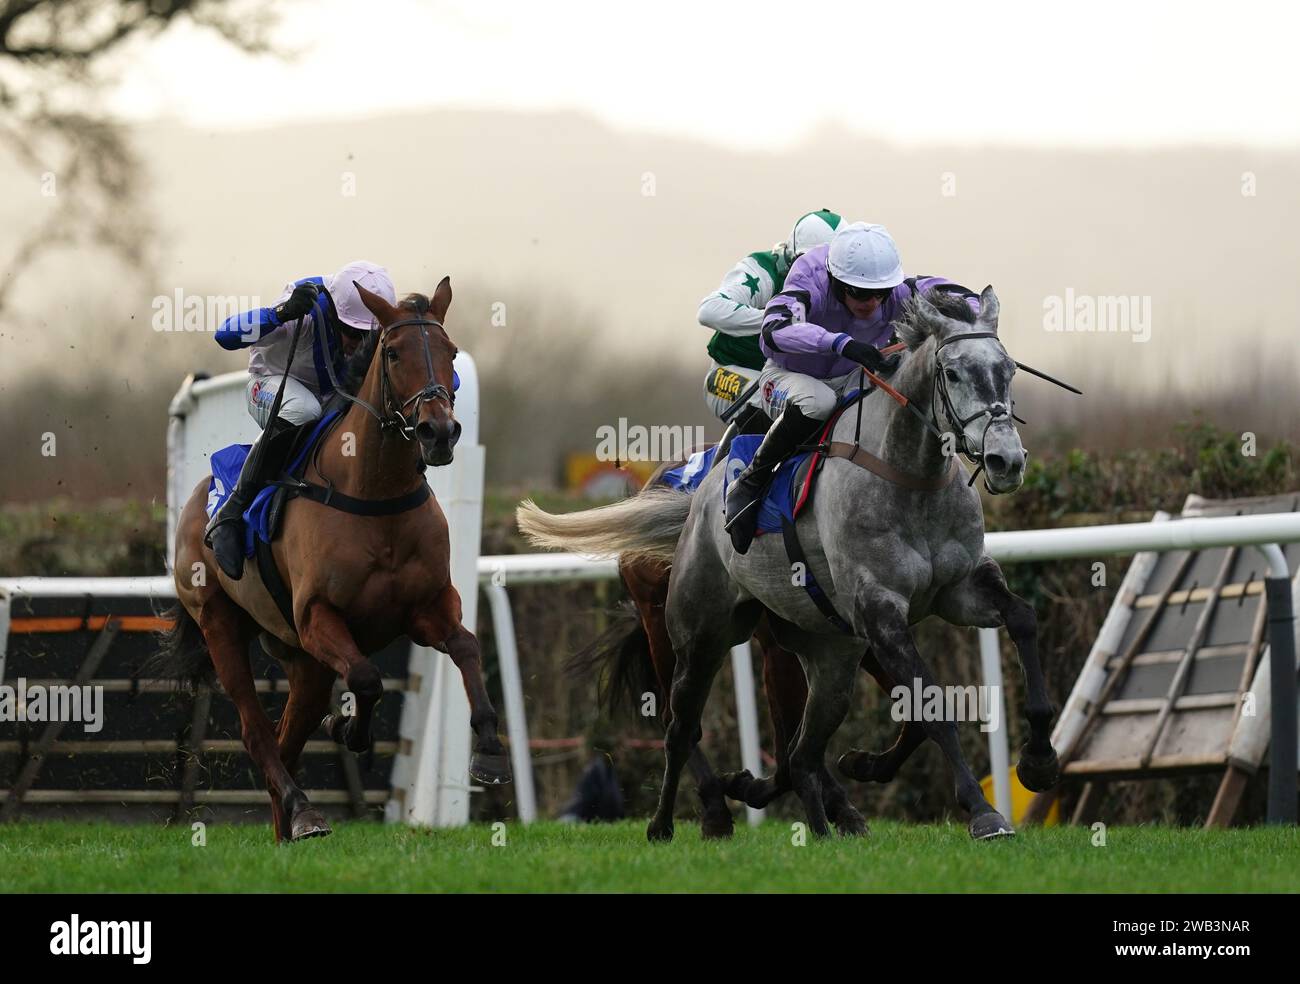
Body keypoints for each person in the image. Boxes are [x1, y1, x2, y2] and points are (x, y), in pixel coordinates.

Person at [723, 222, 979, 553]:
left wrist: (974, 325)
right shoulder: (810, 276)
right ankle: (750, 481)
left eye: (880, 293)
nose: (871, 303)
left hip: (850, 377)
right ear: (836, 280)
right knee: (820, 402)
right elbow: (774, 330)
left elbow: (967, 299)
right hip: (787, 376)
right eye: (859, 293)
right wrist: (839, 343)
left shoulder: (899, 289)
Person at [204, 260, 398, 579]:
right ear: (334, 313)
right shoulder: (306, 307)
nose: (358, 344)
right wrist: (279, 314)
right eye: (351, 332)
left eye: (368, 336)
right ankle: (231, 513)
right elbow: (225, 335)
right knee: (304, 409)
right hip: (269, 385)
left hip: (330, 398)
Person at [697, 210, 842, 428]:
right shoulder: (762, 271)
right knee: (803, 408)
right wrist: (779, 322)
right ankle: (738, 462)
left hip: (788, 378)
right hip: (732, 374)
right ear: (792, 257)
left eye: (828, 268)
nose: (818, 275)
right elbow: (709, 310)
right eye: (811, 263)